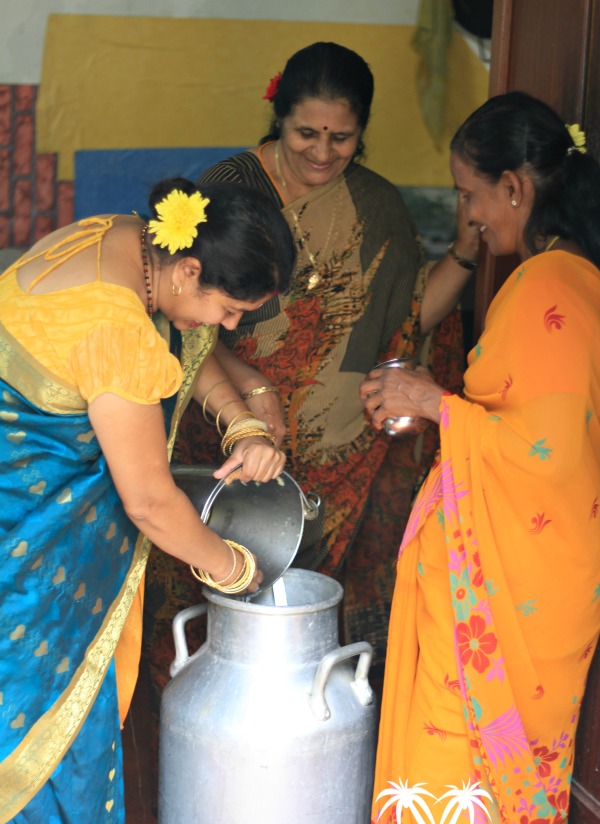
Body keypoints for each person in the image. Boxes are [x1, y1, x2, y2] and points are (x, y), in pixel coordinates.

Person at [144, 41, 479, 685]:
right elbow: (183, 324)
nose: (322, 152)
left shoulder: (378, 210)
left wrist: (465, 252)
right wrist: (250, 395)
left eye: (341, 137)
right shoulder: (228, 195)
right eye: (306, 133)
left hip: (338, 463)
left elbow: (409, 325)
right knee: (193, 616)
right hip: (222, 441)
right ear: (279, 116)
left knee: (298, 622)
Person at [0, 176, 294, 824]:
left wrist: (243, 417)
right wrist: (233, 569)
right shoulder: (115, 324)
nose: (226, 330)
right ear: (191, 269)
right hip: (34, 550)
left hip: (25, 517)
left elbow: (185, 339)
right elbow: (152, 504)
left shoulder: (129, 241)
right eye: (228, 309)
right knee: (51, 728)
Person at [361, 92, 600, 824]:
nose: (469, 216)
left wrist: (433, 404)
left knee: (452, 773)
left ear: (515, 189)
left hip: (508, 601)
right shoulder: (577, 282)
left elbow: (551, 453)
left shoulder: (545, 292)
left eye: (469, 194)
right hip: (534, 579)